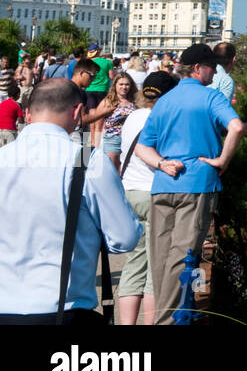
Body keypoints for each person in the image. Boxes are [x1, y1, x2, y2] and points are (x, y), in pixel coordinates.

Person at [0, 78, 142, 323]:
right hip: (62, 308)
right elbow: (125, 238)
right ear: (77, 112)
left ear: (28, 114)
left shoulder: (2, 156)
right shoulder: (87, 158)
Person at [133, 43, 245, 325]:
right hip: (196, 184)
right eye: (210, 66)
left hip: (163, 183)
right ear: (197, 68)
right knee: (183, 254)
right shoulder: (211, 97)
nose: (214, 71)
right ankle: (170, 320)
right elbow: (237, 127)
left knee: (160, 256)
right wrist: (222, 160)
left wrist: (160, 163)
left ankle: (166, 313)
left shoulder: (165, 101)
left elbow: (142, 147)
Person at [117, 71, 177, 326]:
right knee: (156, 269)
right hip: (155, 193)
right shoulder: (164, 119)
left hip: (129, 191)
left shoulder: (132, 117)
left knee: (134, 263)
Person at [96, 72, 140, 171]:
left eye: (127, 84)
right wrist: (95, 145)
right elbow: (97, 125)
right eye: (121, 84)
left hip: (130, 140)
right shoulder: (108, 102)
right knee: (111, 170)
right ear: (115, 85)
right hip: (112, 139)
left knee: (126, 169)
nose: (124, 87)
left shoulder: (135, 102)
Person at [0, 83, 23, 147]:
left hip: (0, 130)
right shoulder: (17, 105)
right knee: (10, 151)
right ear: (18, 95)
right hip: (10, 131)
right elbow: (21, 120)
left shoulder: (2, 103)